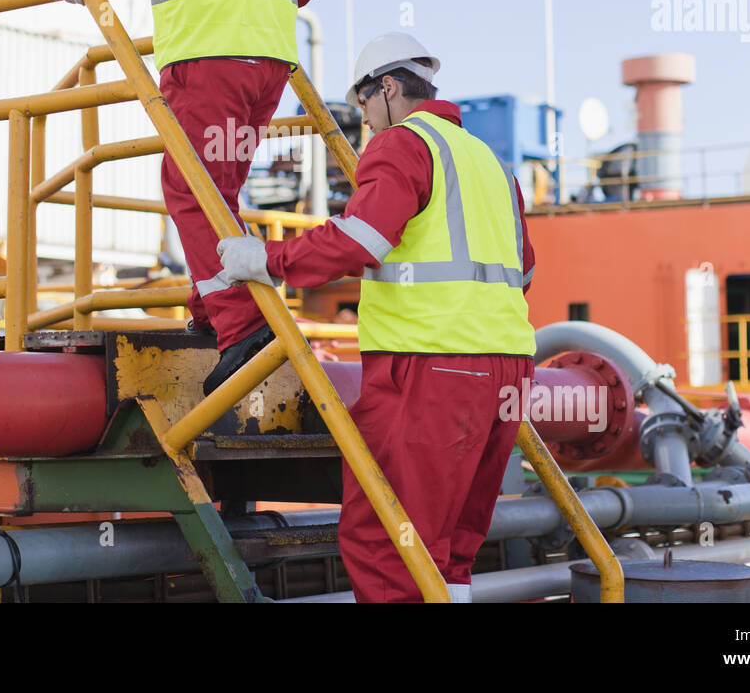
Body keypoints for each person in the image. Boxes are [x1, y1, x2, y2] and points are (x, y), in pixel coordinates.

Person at [215, 32, 537, 603]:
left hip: (429, 371)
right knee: (451, 546)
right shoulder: (491, 163)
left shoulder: (402, 145)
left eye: (363, 106)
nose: (363, 122)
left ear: (387, 87)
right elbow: (524, 272)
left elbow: (359, 239)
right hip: (508, 373)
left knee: (386, 540)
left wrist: (264, 258)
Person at [51, 0, 318, 392]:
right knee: (215, 189)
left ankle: (240, 324)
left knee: (188, 187)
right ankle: (213, 309)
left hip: (212, 61)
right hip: (267, 66)